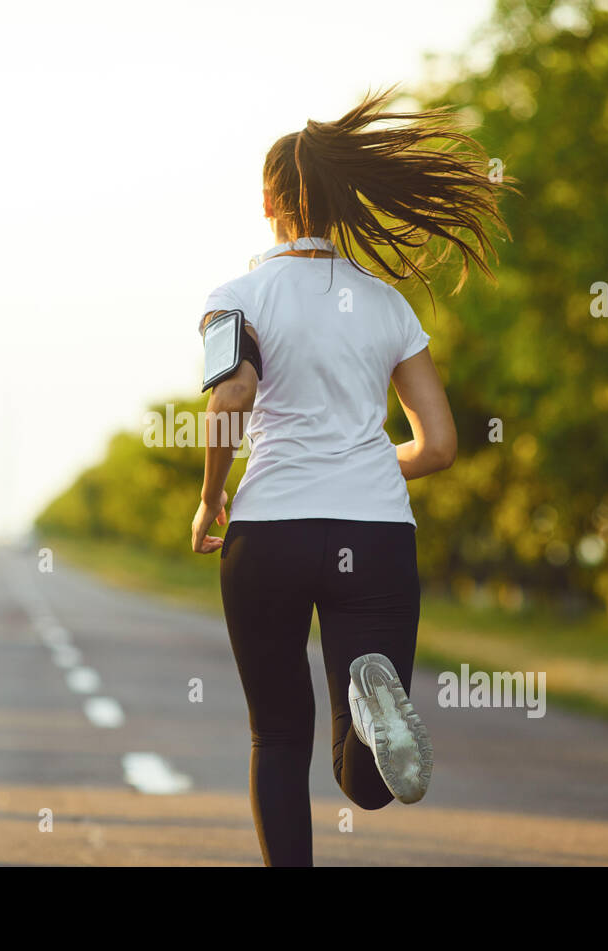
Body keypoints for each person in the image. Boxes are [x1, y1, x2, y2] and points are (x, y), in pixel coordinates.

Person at [190, 86, 508, 867]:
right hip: (374, 534)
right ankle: (371, 714)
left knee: (278, 735)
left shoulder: (235, 297)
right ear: (340, 201)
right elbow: (436, 447)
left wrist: (210, 498)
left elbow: (232, 396)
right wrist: (368, 457)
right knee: (363, 784)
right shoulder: (388, 304)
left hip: (268, 534)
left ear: (270, 201)